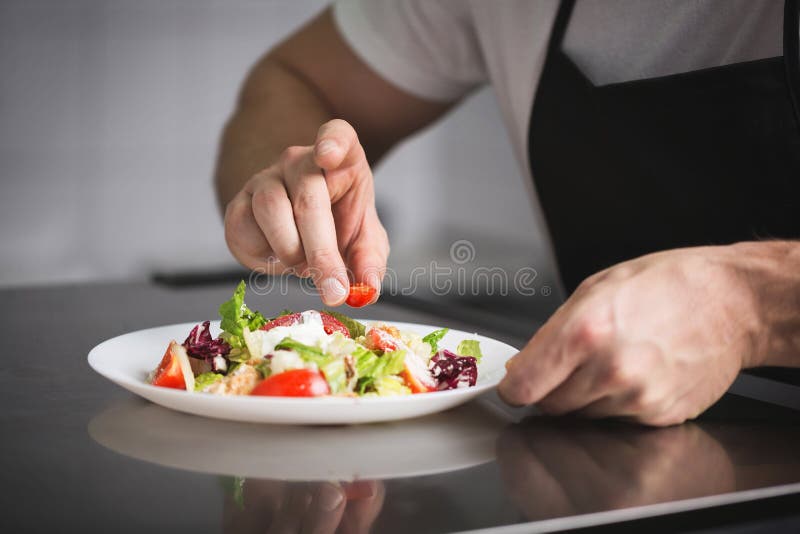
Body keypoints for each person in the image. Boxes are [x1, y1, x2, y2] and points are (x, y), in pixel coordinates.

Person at [214, 1, 800, 426]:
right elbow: (293, 78)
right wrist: (293, 191)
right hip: (601, 451)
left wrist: (748, 304)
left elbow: (745, 305)